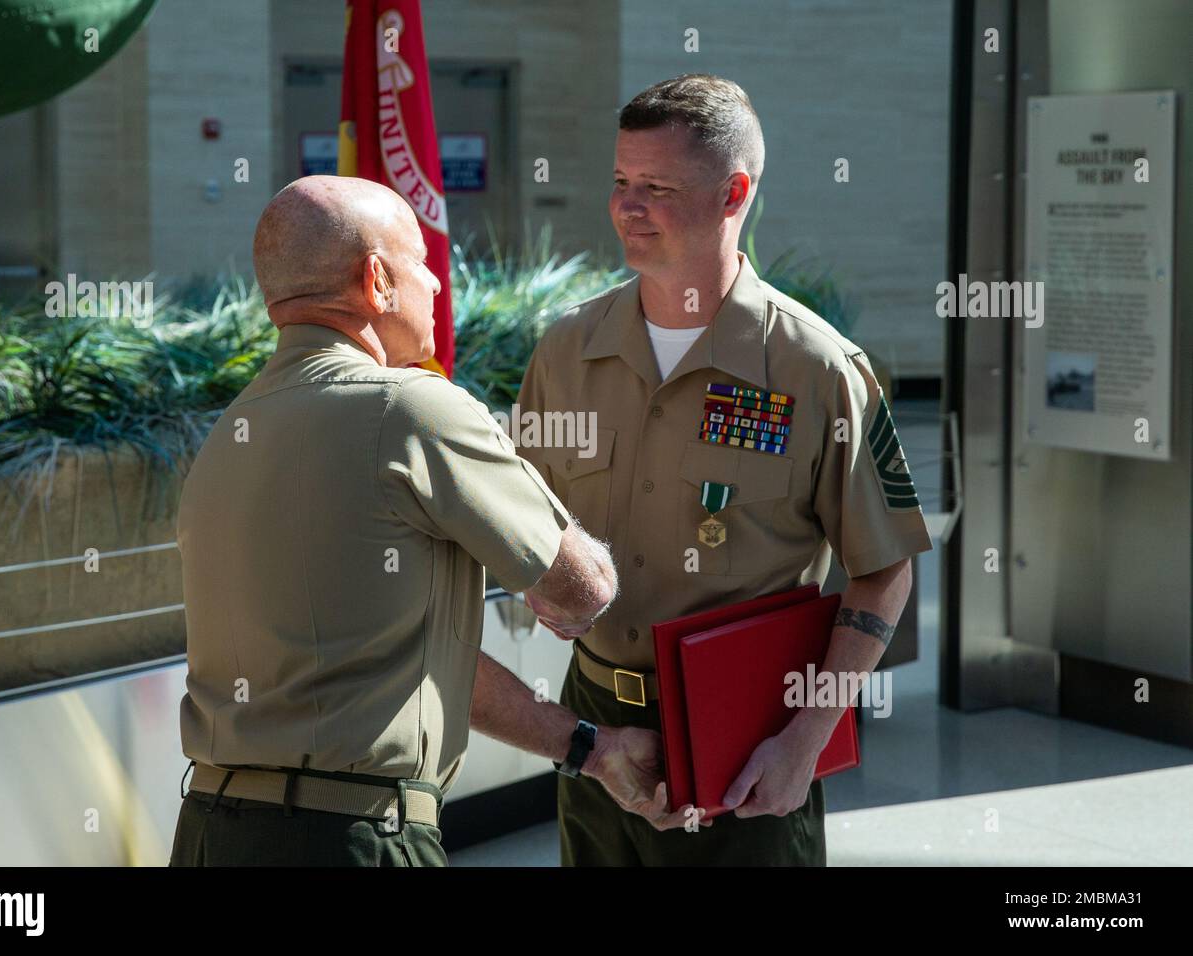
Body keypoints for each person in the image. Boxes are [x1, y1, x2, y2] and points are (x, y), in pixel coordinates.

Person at [169, 175, 673, 867]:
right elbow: (582, 592)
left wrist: (592, 750)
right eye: (425, 265)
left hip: (209, 832)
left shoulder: (232, 431)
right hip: (352, 841)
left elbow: (415, 662)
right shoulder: (411, 409)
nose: (440, 288)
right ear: (377, 281)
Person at [514, 74, 933, 866]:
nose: (626, 208)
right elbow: (528, 516)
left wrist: (806, 739)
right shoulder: (567, 350)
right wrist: (541, 579)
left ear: (734, 191)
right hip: (597, 731)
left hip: (748, 738)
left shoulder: (817, 368)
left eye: (657, 188)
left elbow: (885, 571)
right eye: (620, 182)